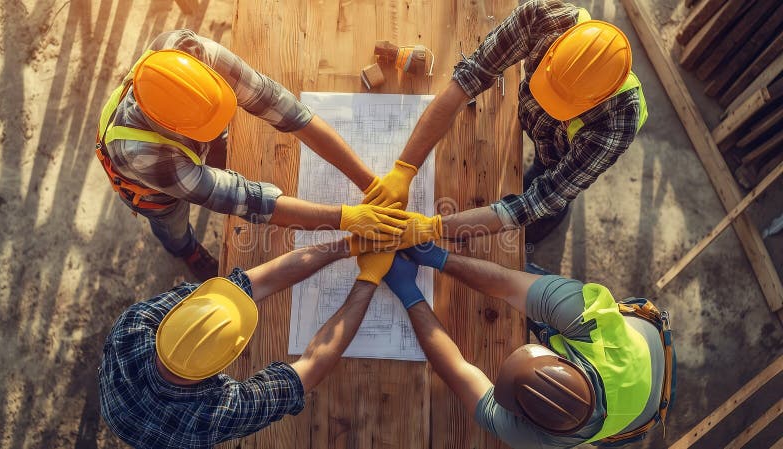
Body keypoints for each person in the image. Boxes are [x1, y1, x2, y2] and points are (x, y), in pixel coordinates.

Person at [96, 29, 410, 280]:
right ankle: (186, 250)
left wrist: (370, 183)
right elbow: (245, 198)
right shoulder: (146, 156)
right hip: (154, 192)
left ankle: (208, 155)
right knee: (172, 225)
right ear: (175, 130)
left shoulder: (187, 51)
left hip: (181, 149)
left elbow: (281, 106)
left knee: (221, 149)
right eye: (207, 131)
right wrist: (348, 218)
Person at [363, 0, 648, 245]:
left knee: (545, 195)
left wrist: (434, 229)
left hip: (558, 155)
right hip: (533, 124)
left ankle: (540, 226)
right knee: (524, 184)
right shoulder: (542, 19)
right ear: (556, 47)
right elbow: (468, 78)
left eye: (561, 105)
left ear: (596, 100)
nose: (547, 103)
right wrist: (403, 169)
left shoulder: (617, 121)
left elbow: (544, 198)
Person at [98, 238, 397, 449]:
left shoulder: (134, 326)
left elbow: (262, 279)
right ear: (227, 361)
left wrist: (350, 245)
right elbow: (311, 367)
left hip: (117, 410)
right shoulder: (212, 417)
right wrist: (369, 277)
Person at [382, 242, 674, 447]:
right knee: (522, 276)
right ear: (560, 359)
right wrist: (437, 257)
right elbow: (508, 284)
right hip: (651, 343)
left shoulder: (536, 440)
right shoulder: (586, 316)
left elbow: (457, 371)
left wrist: (410, 295)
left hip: (642, 416)